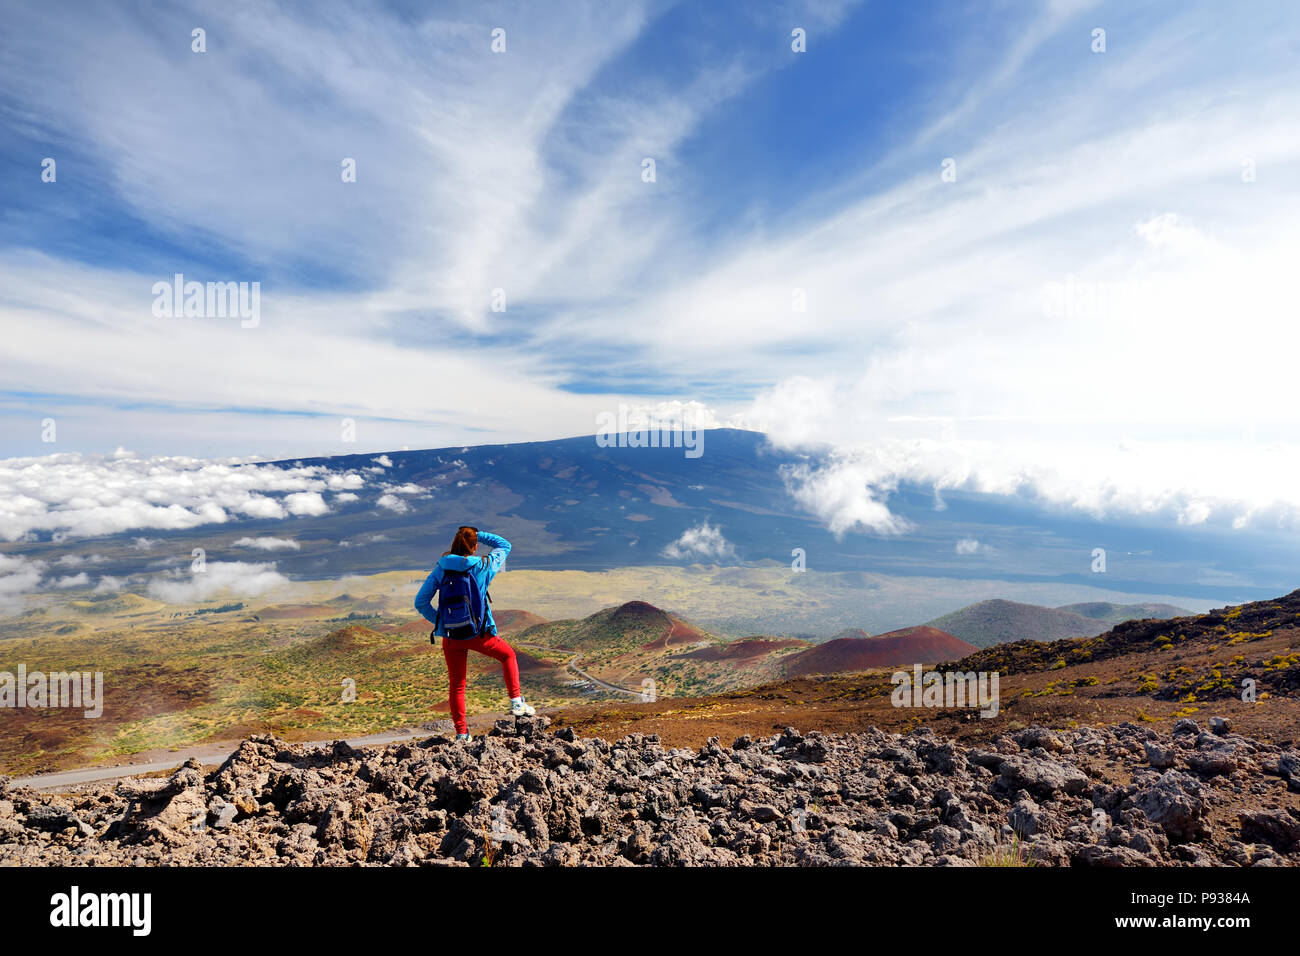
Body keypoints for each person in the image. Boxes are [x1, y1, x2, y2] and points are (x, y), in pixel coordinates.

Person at [414, 526, 534, 741]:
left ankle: (462, 734)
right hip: (478, 633)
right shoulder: (484, 565)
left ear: (454, 544)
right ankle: (516, 701)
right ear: (475, 547)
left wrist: (442, 623)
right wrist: (479, 535)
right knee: (507, 655)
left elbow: (420, 602)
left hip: (451, 638)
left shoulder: (441, 568)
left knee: (457, 685)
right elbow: (504, 545)